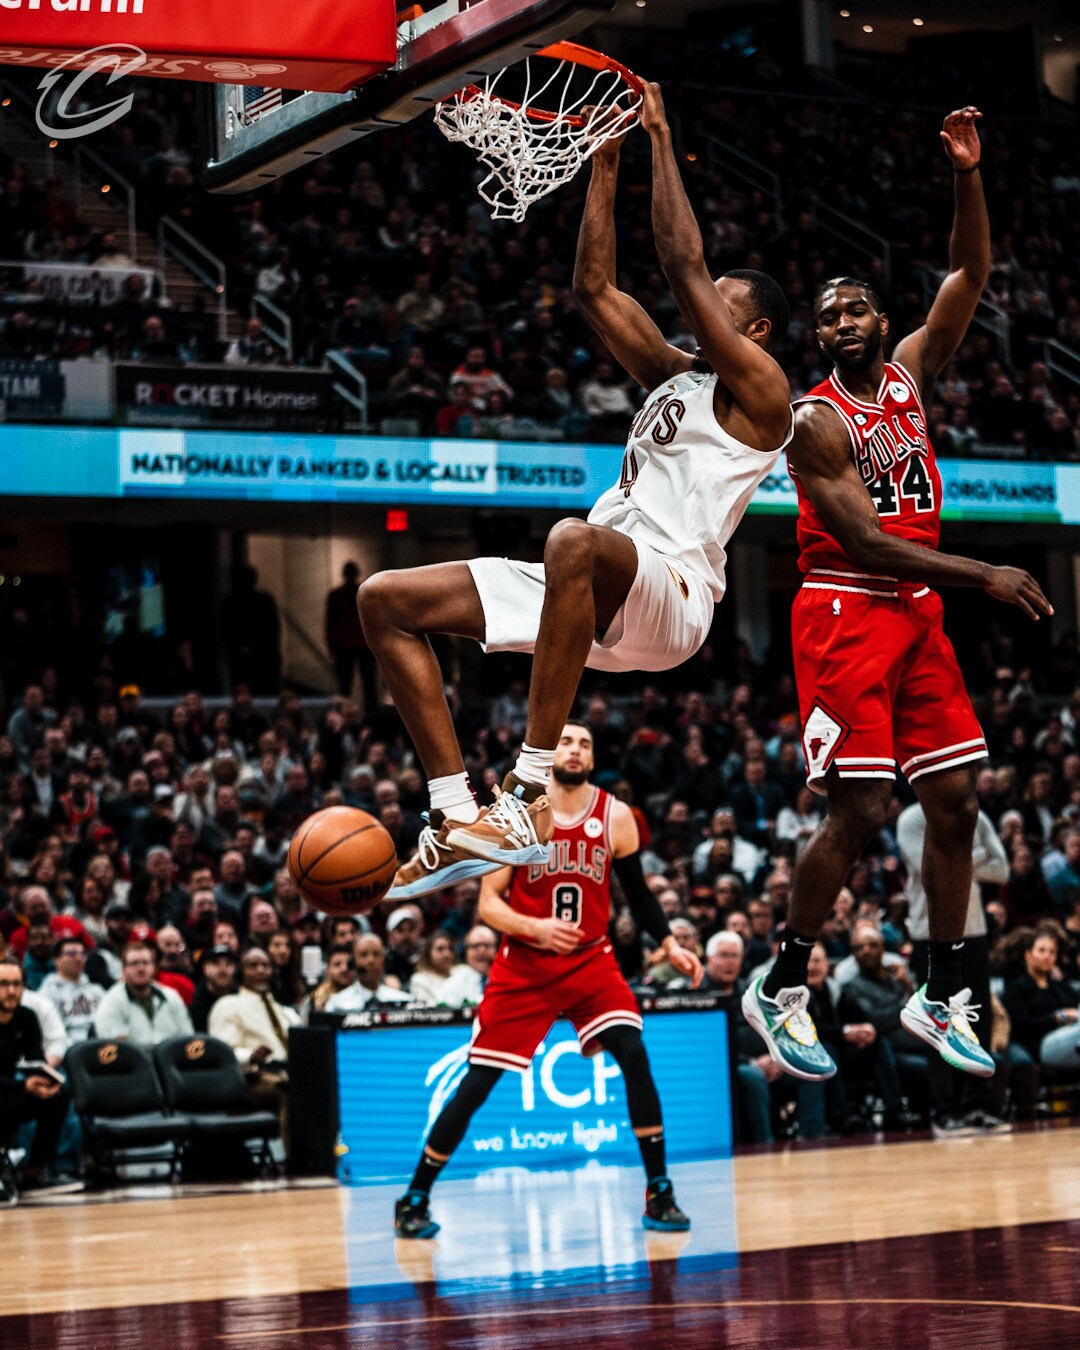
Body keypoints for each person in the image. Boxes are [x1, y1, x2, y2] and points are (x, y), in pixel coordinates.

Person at [360, 81, 792, 903]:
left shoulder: (765, 392)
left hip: (672, 595)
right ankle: (457, 816)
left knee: (572, 538)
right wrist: (605, 161)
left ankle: (524, 795)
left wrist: (659, 138)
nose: (699, 310)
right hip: (589, 593)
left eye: (721, 307)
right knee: (384, 600)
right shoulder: (677, 375)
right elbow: (594, 290)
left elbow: (683, 266)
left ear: (757, 330)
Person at [745, 107, 1051, 1083]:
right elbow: (870, 542)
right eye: (826, 316)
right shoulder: (813, 420)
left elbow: (968, 275)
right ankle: (781, 983)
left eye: (855, 310)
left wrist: (967, 173)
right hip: (846, 604)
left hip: (915, 612)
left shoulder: (913, 375)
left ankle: (943, 989)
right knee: (865, 809)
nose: (841, 322)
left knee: (957, 797)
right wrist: (987, 574)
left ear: (882, 321)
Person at [393, 721, 703, 1241]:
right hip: (524, 966)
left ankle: (659, 1191)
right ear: (548, 754)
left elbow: (639, 895)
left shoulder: (617, 816)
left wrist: (669, 943)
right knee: (477, 1084)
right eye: (565, 741)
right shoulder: (516, 816)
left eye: (585, 743)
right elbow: (490, 906)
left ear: (593, 758)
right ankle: (415, 1196)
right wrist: (534, 927)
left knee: (633, 1052)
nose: (575, 749)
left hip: (591, 960)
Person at [897, 801, 1011, 1129]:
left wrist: (959, 859)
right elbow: (932, 871)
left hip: (974, 931)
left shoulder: (976, 815)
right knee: (937, 1019)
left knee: (978, 1017)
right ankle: (944, 1110)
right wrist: (978, 854)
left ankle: (977, 1105)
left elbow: (1002, 870)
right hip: (929, 932)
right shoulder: (911, 819)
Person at [208, 947, 300, 1143]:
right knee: (289, 1091)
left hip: (289, 1071)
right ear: (240, 972)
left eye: (265, 965)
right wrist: (249, 1055)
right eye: (252, 966)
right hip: (251, 1079)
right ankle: (293, 1157)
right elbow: (220, 1053)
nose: (260, 970)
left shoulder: (286, 1012)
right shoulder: (228, 1005)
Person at [0, 957, 69, 1191]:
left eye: (16, 984)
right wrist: (24, 1086)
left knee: (57, 1098)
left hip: (10, 1089)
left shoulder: (27, 1017)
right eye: (3, 984)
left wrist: (45, 1082)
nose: (11, 991)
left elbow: (35, 1060)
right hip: (8, 1088)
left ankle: (36, 1170)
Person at [93, 941, 194, 1045]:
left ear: (154, 967)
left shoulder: (171, 997)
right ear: (123, 969)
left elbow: (187, 1038)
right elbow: (111, 1046)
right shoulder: (111, 1002)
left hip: (168, 1054)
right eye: (134, 963)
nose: (141, 968)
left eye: (146, 962)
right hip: (132, 1055)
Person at [325, 562, 377, 712]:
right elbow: (330, 622)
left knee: (366, 684)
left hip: (359, 644)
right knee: (348, 685)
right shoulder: (339, 595)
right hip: (350, 644)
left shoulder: (361, 593)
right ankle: (347, 712)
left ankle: (369, 714)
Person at [37, 936, 106, 1043]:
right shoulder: (47, 993)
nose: (78, 958)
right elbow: (52, 1033)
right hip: (69, 1046)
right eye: (71, 953)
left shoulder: (96, 989)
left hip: (101, 1043)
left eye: (82, 954)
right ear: (57, 960)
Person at [325, 933, 412, 1011]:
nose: (371, 960)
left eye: (376, 954)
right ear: (353, 962)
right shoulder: (337, 1004)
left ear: (385, 960)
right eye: (364, 954)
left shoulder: (404, 1001)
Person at [190, 945, 238, 1033]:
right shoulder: (195, 1007)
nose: (223, 969)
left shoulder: (241, 999)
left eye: (228, 964)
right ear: (205, 968)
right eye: (216, 963)